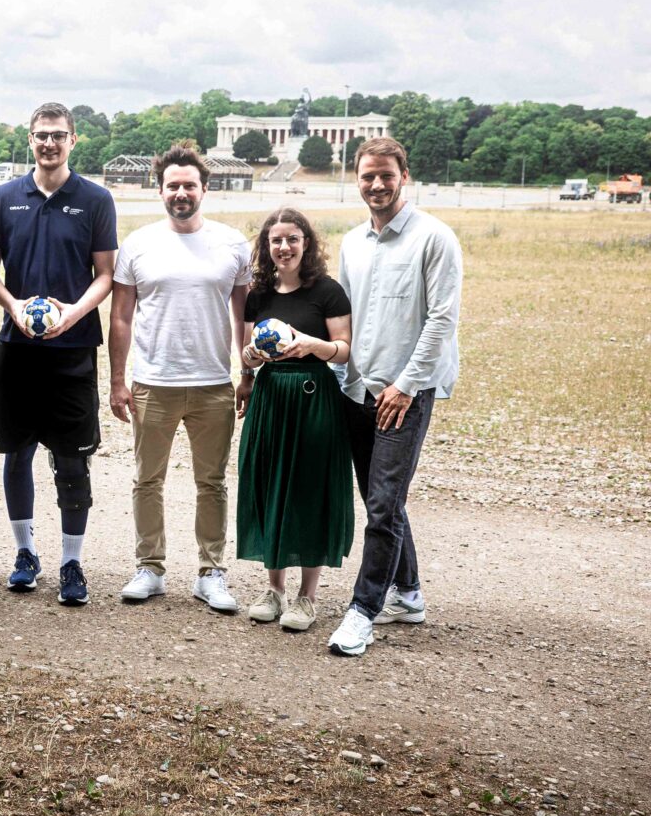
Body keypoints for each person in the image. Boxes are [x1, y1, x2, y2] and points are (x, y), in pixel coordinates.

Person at [327, 137, 462, 657]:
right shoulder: (353, 242)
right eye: (367, 176)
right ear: (357, 179)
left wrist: (407, 385)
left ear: (404, 175)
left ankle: (362, 611)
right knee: (381, 501)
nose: (377, 185)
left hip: (404, 392)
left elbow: (442, 320)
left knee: (383, 505)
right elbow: (344, 315)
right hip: (357, 387)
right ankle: (408, 594)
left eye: (386, 175)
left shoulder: (434, 238)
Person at [0, 102, 117, 605]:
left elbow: (104, 274)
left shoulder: (96, 199)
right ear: (30, 139)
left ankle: (71, 562)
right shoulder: (3, 197)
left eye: (58, 135)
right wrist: (15, 306)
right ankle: (25, 554)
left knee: (71, 460)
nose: (49, 143)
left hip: (73, 350)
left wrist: (72, 314)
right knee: (17, 455)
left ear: (73, 141)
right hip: (17, 348)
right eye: (41, 135)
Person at [109, 143, 250, 614]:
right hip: (153, 383)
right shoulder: (138, 244)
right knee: (147, 480)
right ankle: (150, 566)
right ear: (161, 190)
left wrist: (246, 374)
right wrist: (117, 380)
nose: (181, 193)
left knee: (211, 482)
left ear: (205, 189)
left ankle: (211, 572)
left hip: (213, 384)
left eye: (190, 185)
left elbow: (243, 318)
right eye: (173, 186)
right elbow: (122, 318)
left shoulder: (232, 244)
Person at [234, 208, 354, 632]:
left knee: (307, 488)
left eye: (292, 239)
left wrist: (311, 344)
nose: (284, 247)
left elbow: (343, 349)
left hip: (313, 397)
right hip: (270, 398)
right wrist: (248, 362)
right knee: (271, 485)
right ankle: (274, 589)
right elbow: (248, 351)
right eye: (275, 240)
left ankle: (307, 597)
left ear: (307, 242)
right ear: (266, 247)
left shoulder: (327, 291)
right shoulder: (259, 294)